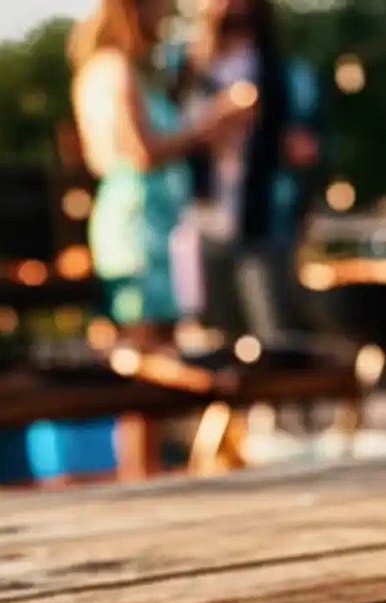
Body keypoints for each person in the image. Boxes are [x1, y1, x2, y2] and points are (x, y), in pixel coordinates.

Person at [69, 0, 254, 350]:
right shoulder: (113, 69)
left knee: (165, 348)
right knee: (146, 352)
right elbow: (140, 152)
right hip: (137, 228)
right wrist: (210, 125)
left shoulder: (129, 69)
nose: (166, 17)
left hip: (159, 226)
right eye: (159, 8)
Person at [169, 0, 325, 345]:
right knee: (216, 340)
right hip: (202, 222)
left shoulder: (285, 74)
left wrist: (297, 147)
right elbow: (167, 137)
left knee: (274, 334)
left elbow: (311, 140)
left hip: (264, 220)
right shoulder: (185, 69)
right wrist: (216, 119)